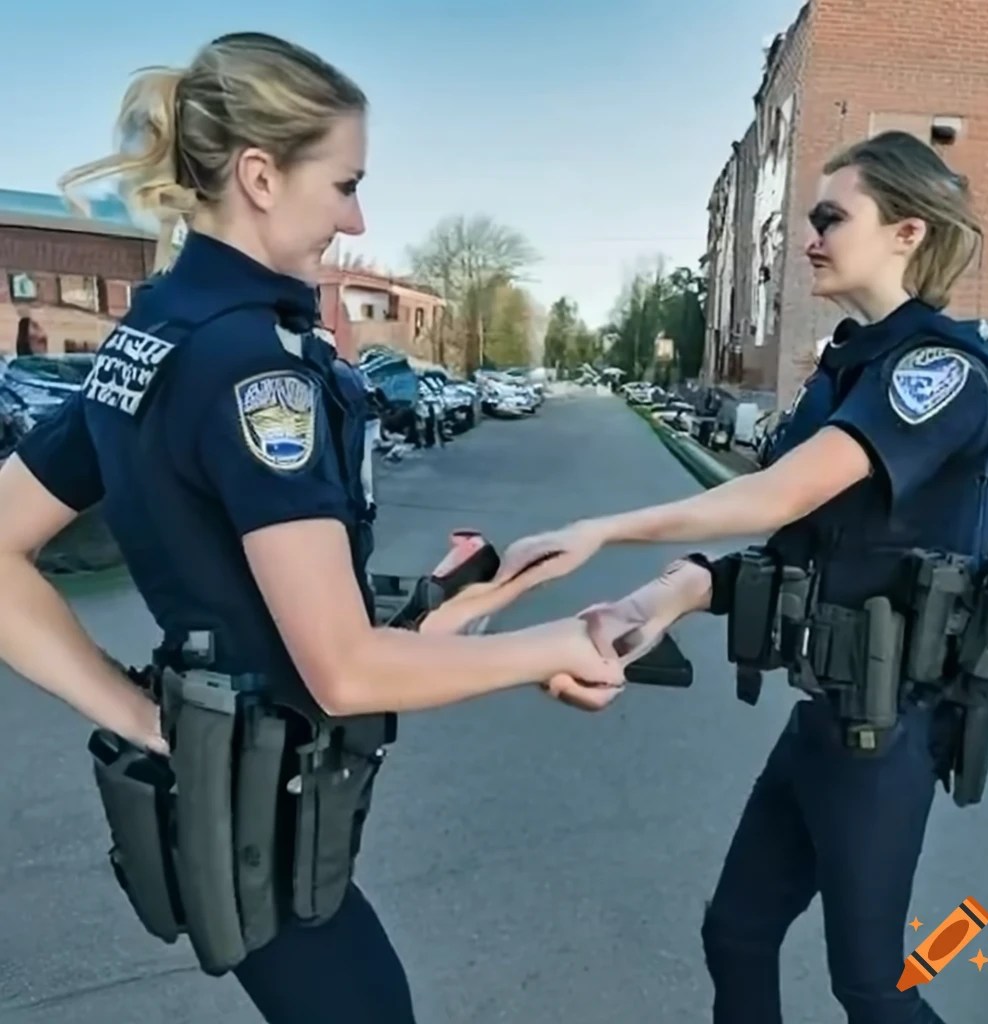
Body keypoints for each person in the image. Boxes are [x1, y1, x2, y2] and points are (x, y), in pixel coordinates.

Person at [0, 32, 626, 1024]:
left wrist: (463, 603)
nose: (355, 218)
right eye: (344, 184)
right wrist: (557, 645)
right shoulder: (255, 370)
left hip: (241, 807)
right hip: (269, 834)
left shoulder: (153, 340)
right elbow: (339, 670)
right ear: (260, 176)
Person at [497, 130, 988, 1024]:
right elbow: (798, 553)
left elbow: (779, 495)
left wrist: (603, 529)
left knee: (871, 985)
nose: (809, 239)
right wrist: (657, 599)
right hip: (827, 719)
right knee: (736, 934)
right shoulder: (850, 367)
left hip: (887, 732)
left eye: (831, 218)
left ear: (908, 232)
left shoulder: (942, 371)